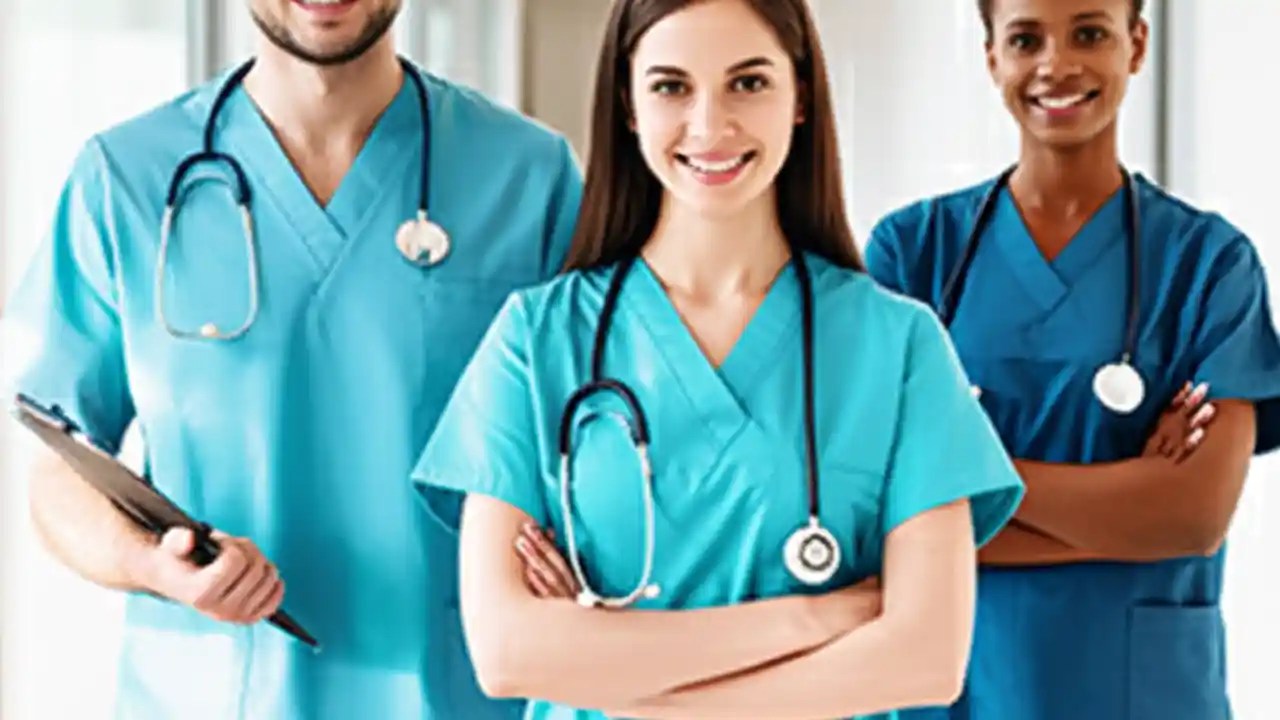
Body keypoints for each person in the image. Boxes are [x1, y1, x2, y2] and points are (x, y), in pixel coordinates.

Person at [410, 0, 1025, 718]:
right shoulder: (536, 340)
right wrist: (816, 617)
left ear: (799, 97)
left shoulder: (900, 346)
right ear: (629, 106)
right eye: (672, 86)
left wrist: (626, 686)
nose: (710, 125)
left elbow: (925, 660)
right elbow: (509, 653)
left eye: (749, 83)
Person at [1, 1, 581, 718]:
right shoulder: (126, 179)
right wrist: (152, 565)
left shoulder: (527, 177)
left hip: (458, 697)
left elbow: (601, 450)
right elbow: (59, 465)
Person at [862, 0, 1280, 718]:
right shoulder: (913, 254)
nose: (1056, 64)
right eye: (1026, 39)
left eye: (1090, 32)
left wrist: (965, 494)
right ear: (992, 56)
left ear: (1136, 44)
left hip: (1137, 693)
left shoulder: (1210, 265)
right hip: (955, 687)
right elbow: (874, 518)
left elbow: (1193, 515)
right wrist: (1130, 502)